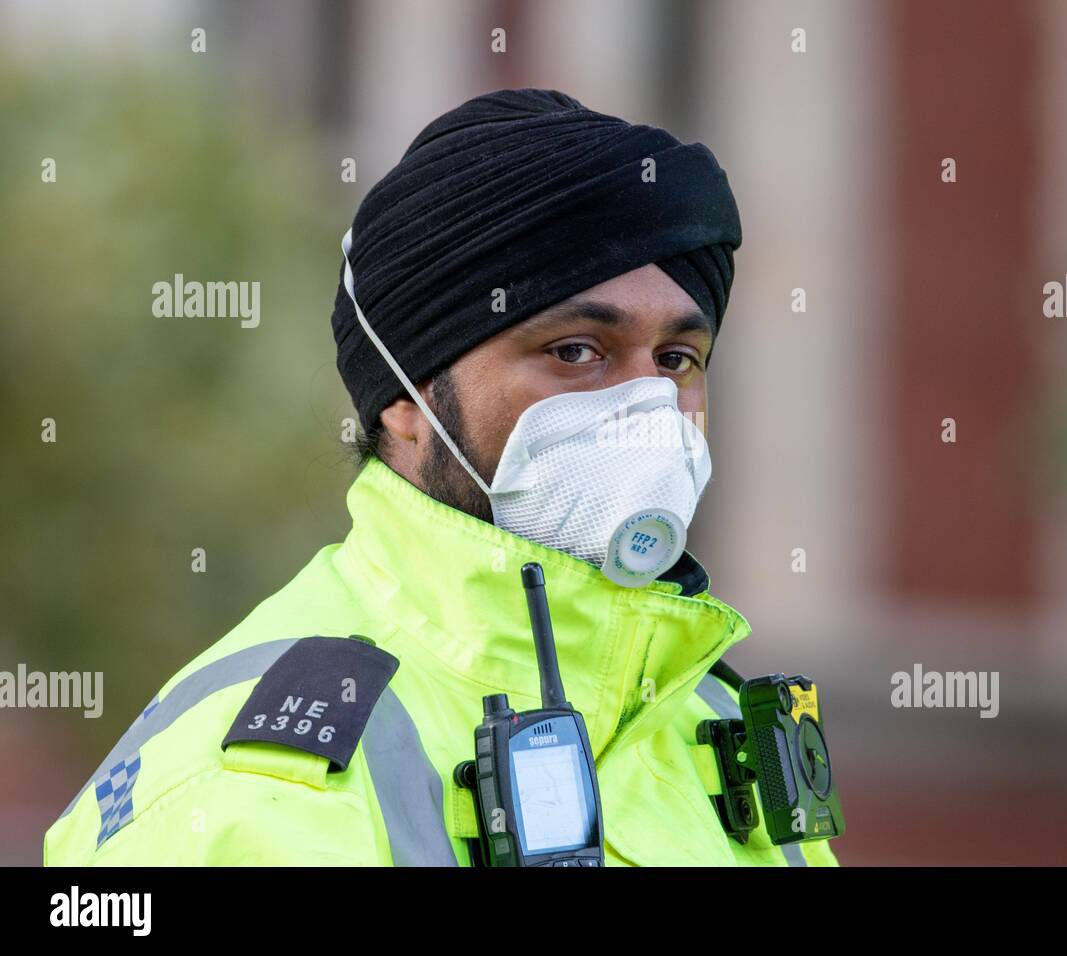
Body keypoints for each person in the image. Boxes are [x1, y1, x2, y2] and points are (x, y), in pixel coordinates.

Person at [44, 88, 840, 866]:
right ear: (404, 399)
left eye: (676, 360)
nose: (649, 407)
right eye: (575, 351)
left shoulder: (712, 721)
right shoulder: (253, 789)